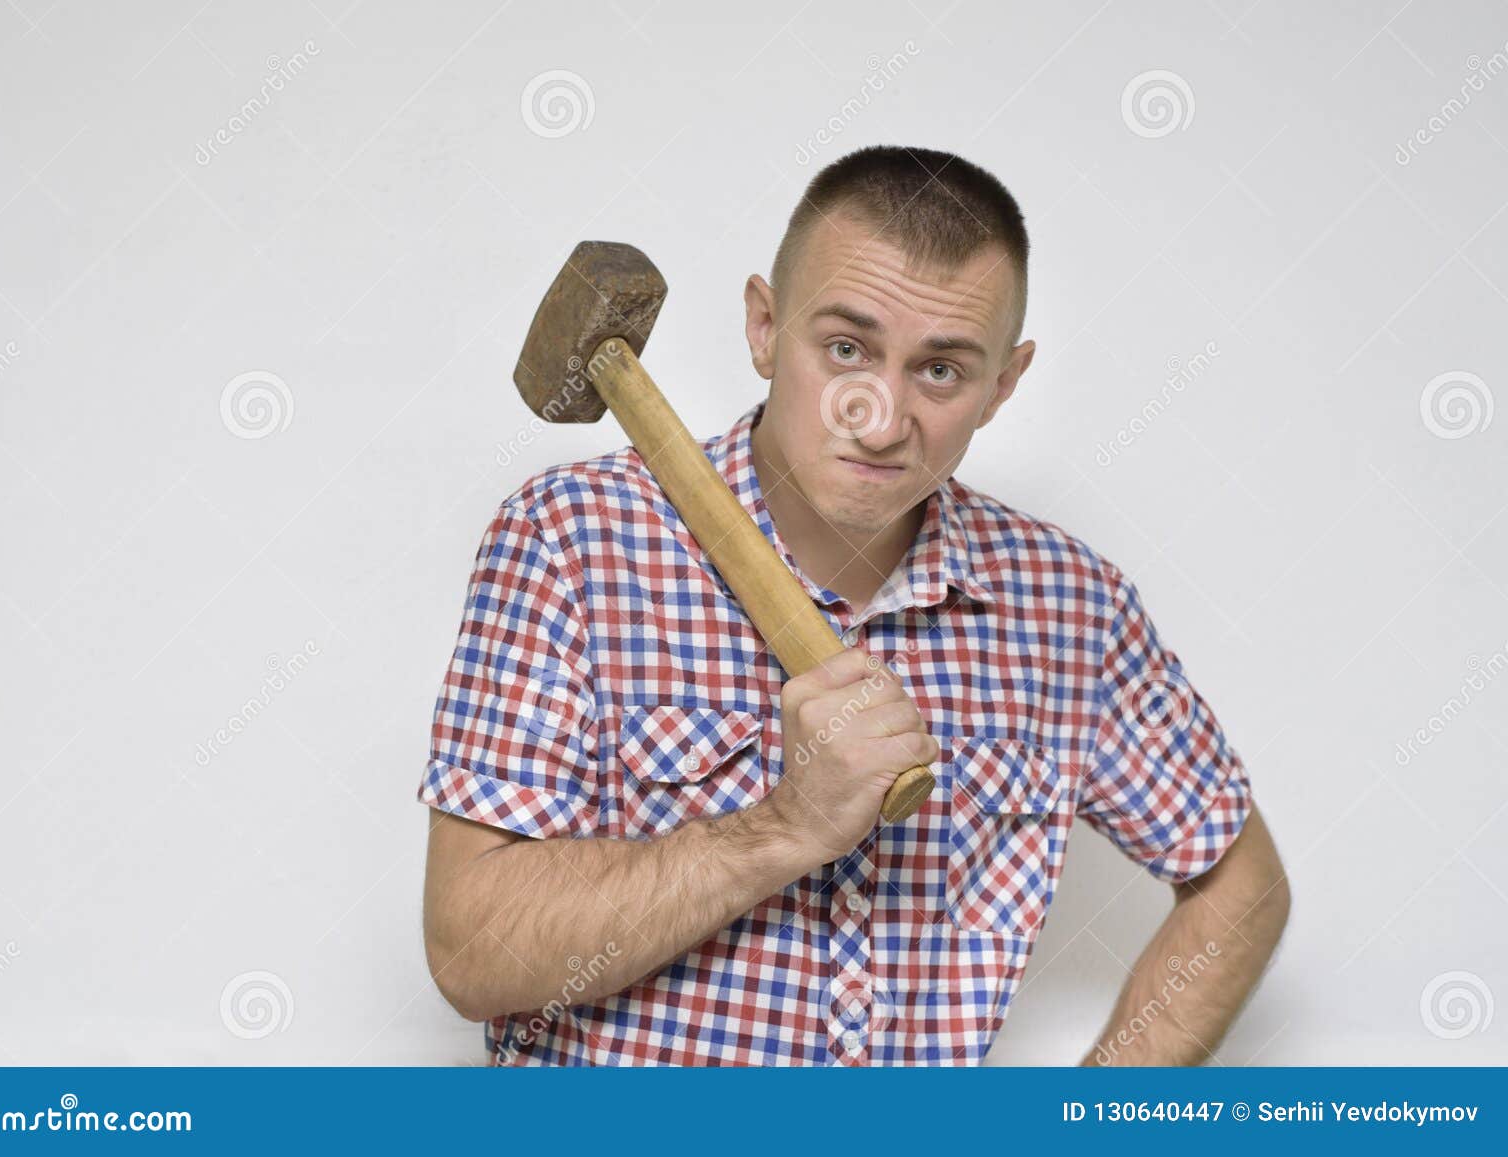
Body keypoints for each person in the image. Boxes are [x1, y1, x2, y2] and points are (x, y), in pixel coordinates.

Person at [418, 144, 1290, 1066]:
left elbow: (1244, 890)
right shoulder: (573, 539)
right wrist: (784, 826)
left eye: (942, 371)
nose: (879, 417)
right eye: (846, 349)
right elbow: (472, 949)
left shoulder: (1072, 609)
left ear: (1004, 384)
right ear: (763, 326)